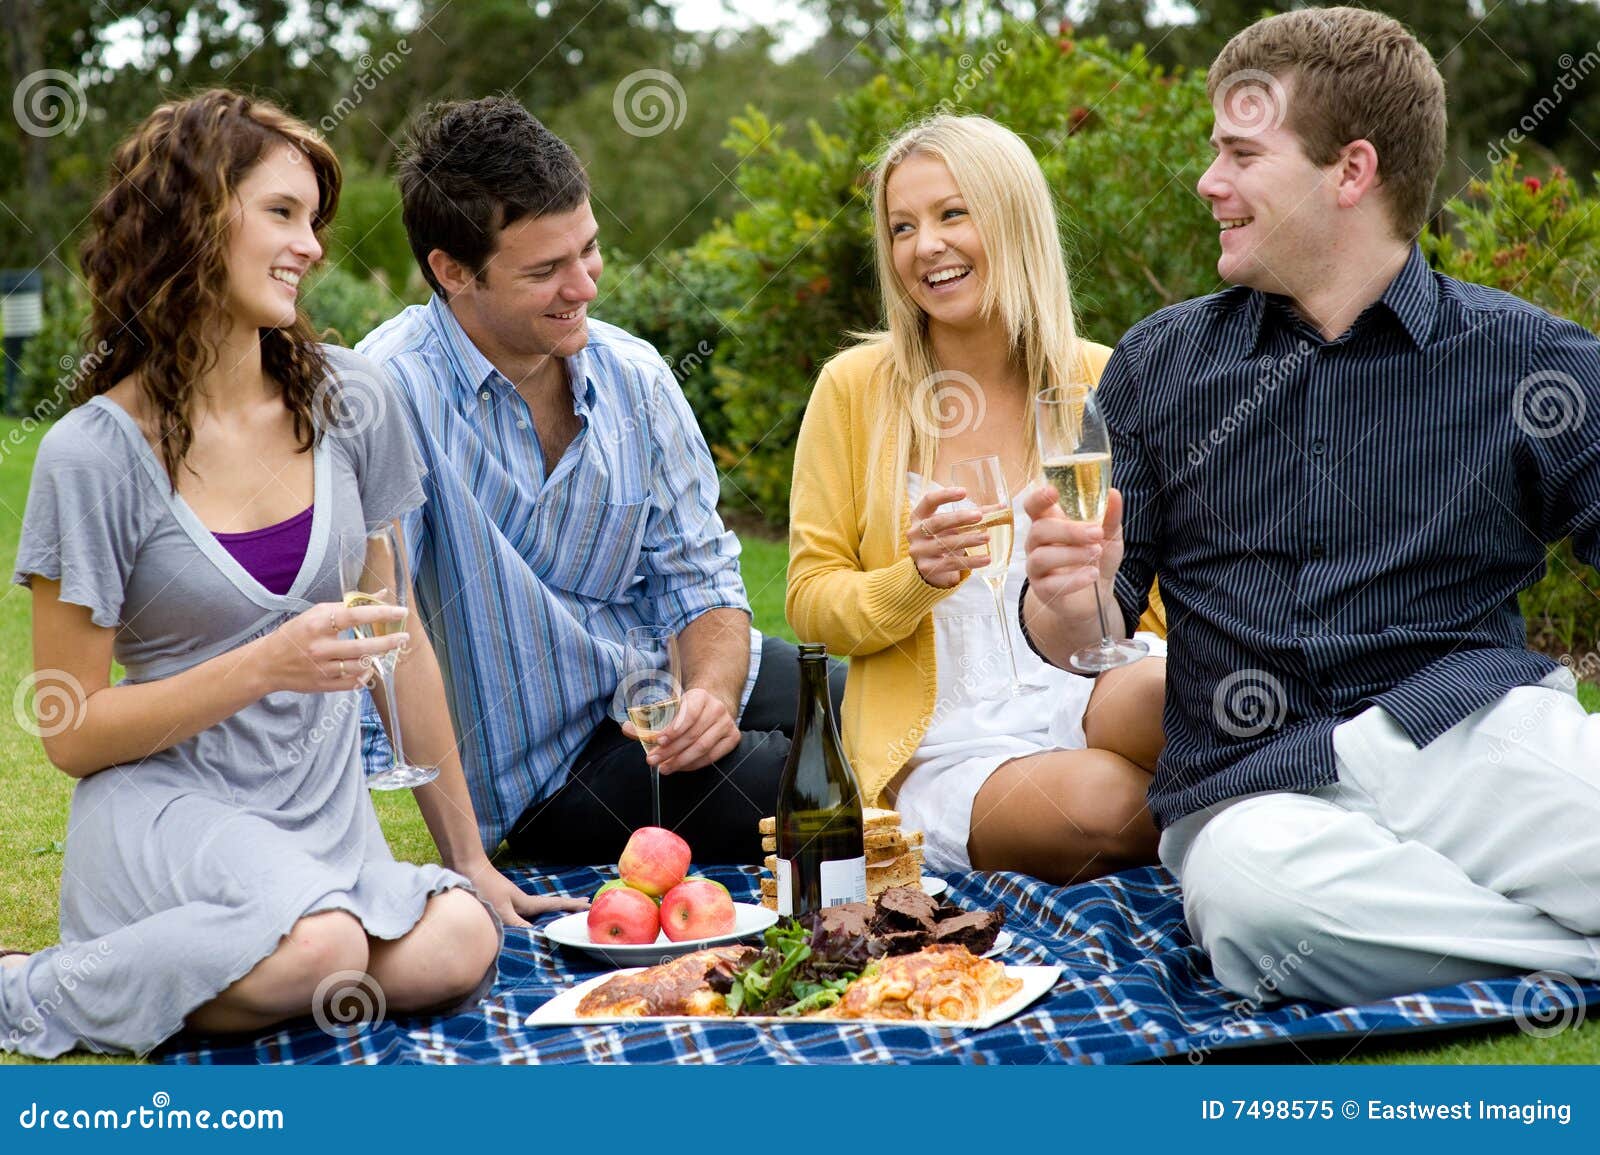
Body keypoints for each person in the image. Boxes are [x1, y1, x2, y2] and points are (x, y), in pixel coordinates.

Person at [1021, 7, 1600, 1006]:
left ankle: (1471, 935)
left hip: (1463, 731)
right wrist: (1067, 596)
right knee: (1259, 911)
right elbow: (1080, 628)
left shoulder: (1531, 361)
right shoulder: (1152, 364)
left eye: (1241, 154)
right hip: (1254, 785)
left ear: (1350, 171)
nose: (1209, 183)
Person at [0, 91, 582, 1060]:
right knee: (323, 952)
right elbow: (69, 731)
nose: (311, 245)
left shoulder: (353, 398)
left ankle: (194, 968)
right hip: (169, 811)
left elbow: (399, 638)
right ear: (189, 221)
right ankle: (32, 985)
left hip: (320, 812)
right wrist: (266, 663)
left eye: (313, 219)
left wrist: (468, 858)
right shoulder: (93, 453)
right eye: (281, 213)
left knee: (457, 942)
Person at [356, 96, 835, 866]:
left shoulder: (634, 374)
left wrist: (711, 691)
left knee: (888, 713)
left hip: (660, 692)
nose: (585, 285)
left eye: (589, 250)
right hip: (550, 771)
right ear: (452, 272)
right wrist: (467, 862)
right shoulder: (385, 394)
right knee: (815, 789)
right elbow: (384, 636)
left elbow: (700, 574)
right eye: (546, 269)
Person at [786, 114, 1169, 885]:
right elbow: (807, 600)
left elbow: (1151, 606)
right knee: (1110, 804)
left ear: (1014, 218)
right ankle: (1238, 818)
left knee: (1204, 702)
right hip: (951, 737)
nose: (923, 245)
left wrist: (1107, 583)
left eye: (951, 213)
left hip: (1091, 681)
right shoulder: (856, 390)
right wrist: (914, 579)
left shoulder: (1098, 377)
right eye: (901, 226)